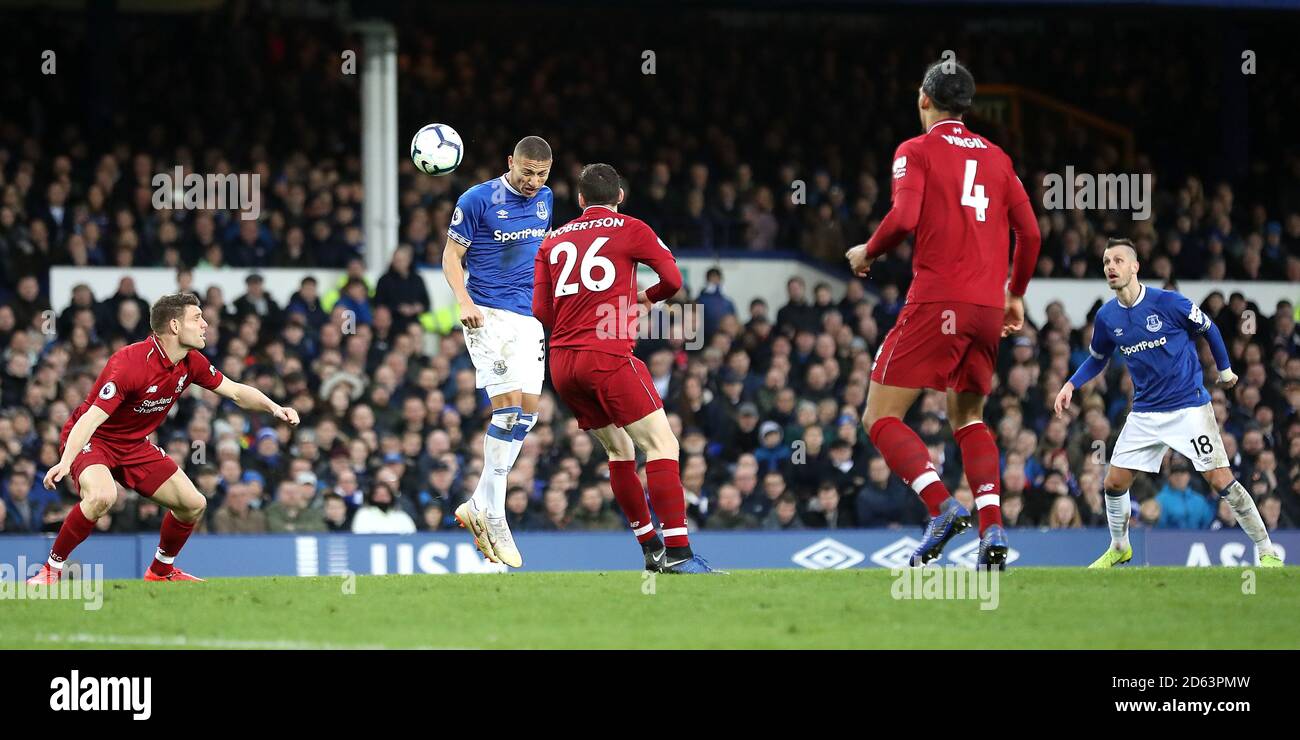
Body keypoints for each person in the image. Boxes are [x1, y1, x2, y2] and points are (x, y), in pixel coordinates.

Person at [845, 58, 1041, 569]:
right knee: (968, 416)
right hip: (985, 308)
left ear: (923, 99)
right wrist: (1014, 293)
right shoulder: (998, 158)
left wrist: (868, 251)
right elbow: (1032, 234)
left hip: (938, 300)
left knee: (880, 415)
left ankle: (942, 507)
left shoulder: (916, 150)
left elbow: (905, 216)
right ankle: (992, 529)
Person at [29, 292, 300, 584]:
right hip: (94, 439)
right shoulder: (130, 363)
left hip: (134, 445)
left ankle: (160, 571)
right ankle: (50, 570)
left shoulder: (190, 361)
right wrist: (66, 461)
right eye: (197, 318)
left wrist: (274, 407)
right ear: (174, 326)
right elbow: (91, 418)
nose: (205, 324)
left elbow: (234, 391)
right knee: (102, 496)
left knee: (193, 503)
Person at [533, 163, 718, 574]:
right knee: (663, 447)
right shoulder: (631, 228)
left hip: (564, 365)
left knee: (620, 450)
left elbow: (541, 310)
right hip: (608, 356)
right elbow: (671, 279)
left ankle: (650, 546)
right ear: (620, 197)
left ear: (579, 201)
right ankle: (680, 555)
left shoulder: (551, 242)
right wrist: (646, 299)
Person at [1054, 239, 1282, 567]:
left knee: (1221, 480)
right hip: (1146, 413)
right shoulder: (1107, 317)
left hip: (1189, 408)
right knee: (1113, 482)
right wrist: (1070, 384)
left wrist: (1226, 370)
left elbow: (1209, 328)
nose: (1111, 267)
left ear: (1135, 267)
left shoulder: (1169, 303)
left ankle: (1265, 549)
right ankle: (1120, 547)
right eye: (1106, 262)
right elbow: (1097, 358)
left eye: (1118, 260)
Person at [443, 136, 554, 569]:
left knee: (528, 414)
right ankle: (494, 514)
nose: (533, 181)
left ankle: (476, 502)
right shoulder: (477, 199)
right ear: (510, 162)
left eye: (542, 173)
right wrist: (464, 302)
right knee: (506, 411)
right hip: (487, 313)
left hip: (528, 318)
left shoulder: (546, 200)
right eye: (526, 171)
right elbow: (451, 257)